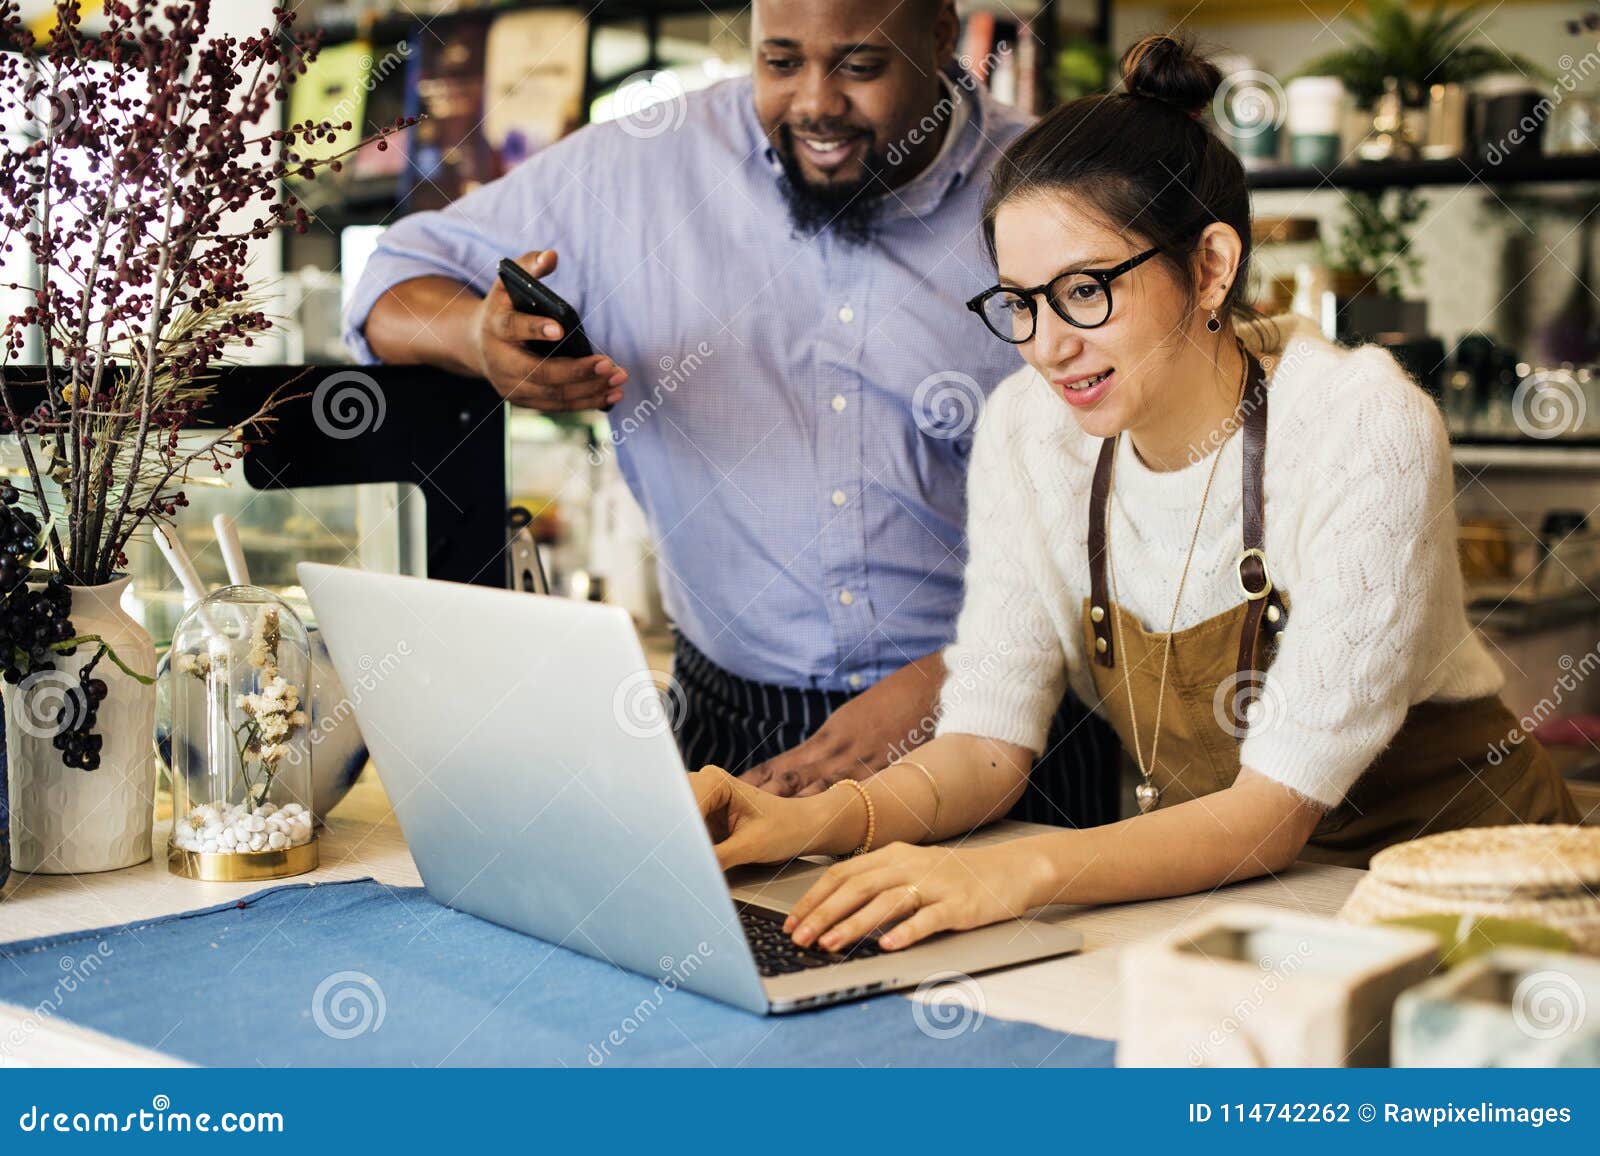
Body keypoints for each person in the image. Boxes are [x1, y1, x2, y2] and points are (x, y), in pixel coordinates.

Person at [689, 35, 1581, 954]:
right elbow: (985, 746)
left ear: (1211, 266)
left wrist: (1011, 872)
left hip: (1489, 909)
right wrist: (809, 821)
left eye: (1084, 290)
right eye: (1020, 302)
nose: (1047, 346)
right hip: (1251, 911)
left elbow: (1270, 813)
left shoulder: (1361, 426)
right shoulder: (1027, 430)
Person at [344, 0, 1118, 825]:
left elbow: (1161, 490)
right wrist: (477, 336)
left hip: (1017, 719)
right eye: (779, 62)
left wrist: (964, 674)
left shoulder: (1055, 191)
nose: (815, 103)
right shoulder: (636, 170)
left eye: (859, 66)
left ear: (939, 39)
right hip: (738, 732)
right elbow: (390, 280)